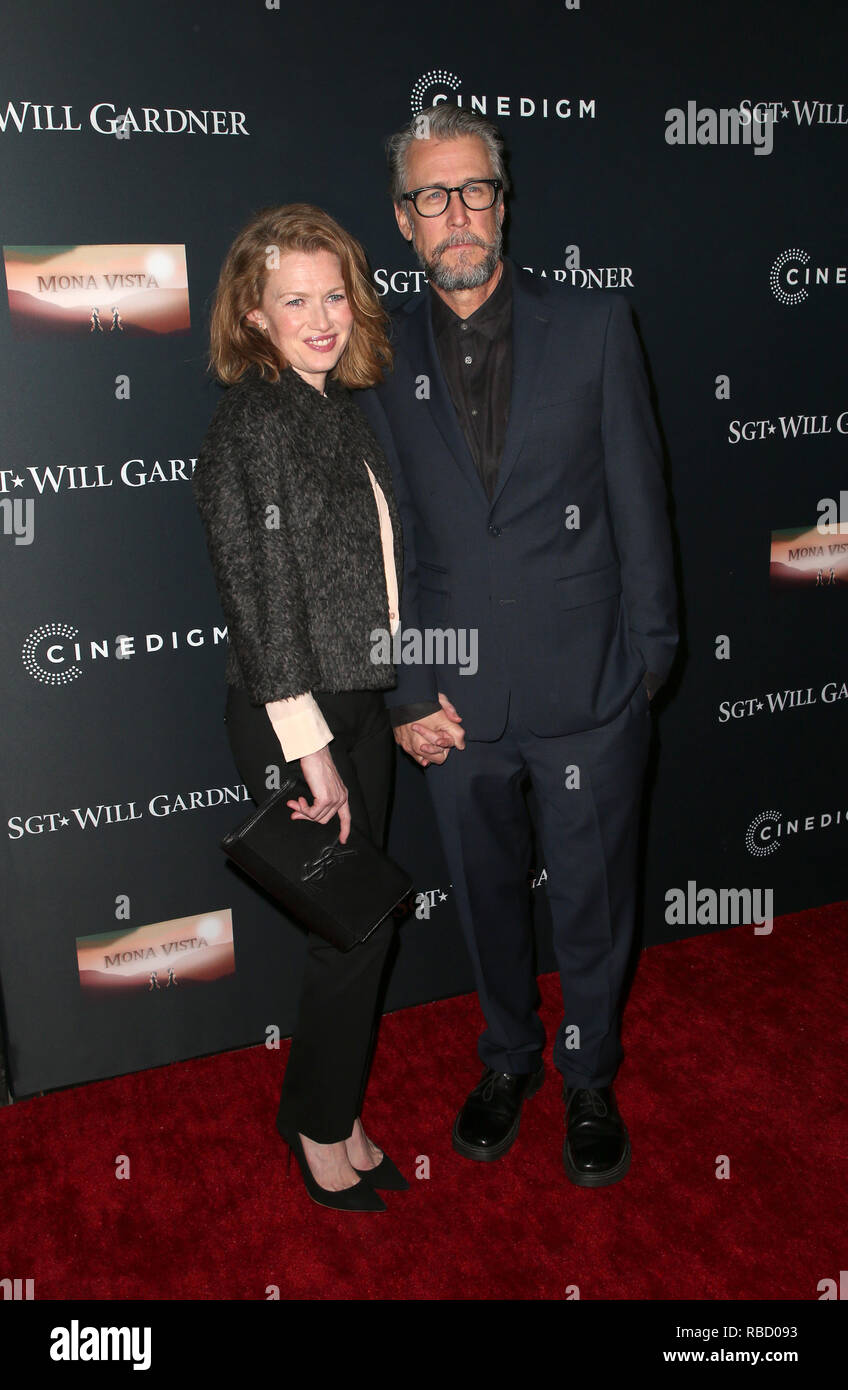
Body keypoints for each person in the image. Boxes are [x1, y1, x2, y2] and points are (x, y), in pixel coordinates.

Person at [358, 105, 678, 1187]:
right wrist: (404, 687)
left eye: (475, 191)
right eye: (431, 197)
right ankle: (509, 1059)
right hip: (453, 695)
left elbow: (640, 497)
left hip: (590, 679)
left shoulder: (590, 325)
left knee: (594, 893)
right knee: (485, 896)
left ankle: (588, 1073)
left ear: (503, 202)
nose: (457, 215)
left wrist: (648, 655)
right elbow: (387, 536)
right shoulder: (375, 354)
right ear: (403, 219)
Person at [192, 204, 410, 1212]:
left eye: (334, 294)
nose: (321, 316)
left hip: (356, 700)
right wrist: (308, 748)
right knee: (350, 931)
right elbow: (260, 595)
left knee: (354, 925)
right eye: (294, 299)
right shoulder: (255, 417)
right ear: (252, 312)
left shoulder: (333, 404)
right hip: (300, 717)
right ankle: (321, 1131)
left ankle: (329, 1108)